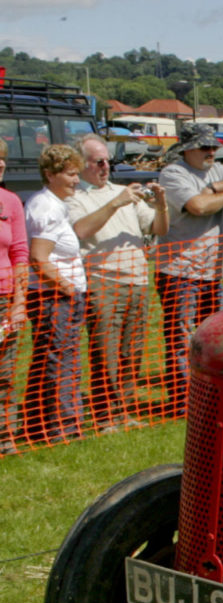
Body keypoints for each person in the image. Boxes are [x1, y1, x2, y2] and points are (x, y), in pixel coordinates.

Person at [67, 133, 168, 430]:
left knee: (132, 349)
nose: (105, 167)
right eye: (98, 162)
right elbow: (82, 230)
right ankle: (104, 415)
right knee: (105, 351)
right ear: (82, 164)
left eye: (108, 161)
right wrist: (115, 203)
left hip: (137, 280)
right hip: (103, 281)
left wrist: (161, 205)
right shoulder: (77, 196)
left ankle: (123, 410)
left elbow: (157, 227)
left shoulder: (124, 192)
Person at [157, 123, 223, 403]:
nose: (211, 151)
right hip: (180, 270)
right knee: (182, 336)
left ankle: (209, 394)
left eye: (214, 146)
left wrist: (217, 187)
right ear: (187, 149)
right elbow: (197, 206)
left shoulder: (216, 172)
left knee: (214, 334)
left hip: (213, 271)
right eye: (204, 147)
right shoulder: (173, 173)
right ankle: (183, 399)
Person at [24, 144, 89, 443]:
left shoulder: (55, 204)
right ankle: (62, 427)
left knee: (59, 359)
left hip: (62, 296)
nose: (77, 180)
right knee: (60, 361)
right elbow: (39, 257)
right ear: (50, 175)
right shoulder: (46, 207)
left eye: (77, 174)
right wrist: (67, 289)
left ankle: (39, 425)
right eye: (71, 174)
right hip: (54, 299)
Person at [0, 139, 30, 454]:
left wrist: (19, 300)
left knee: (5, 372)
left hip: (5, 298)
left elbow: (20, 252)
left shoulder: (10, 202)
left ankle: (5, 435)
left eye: (2, 159)